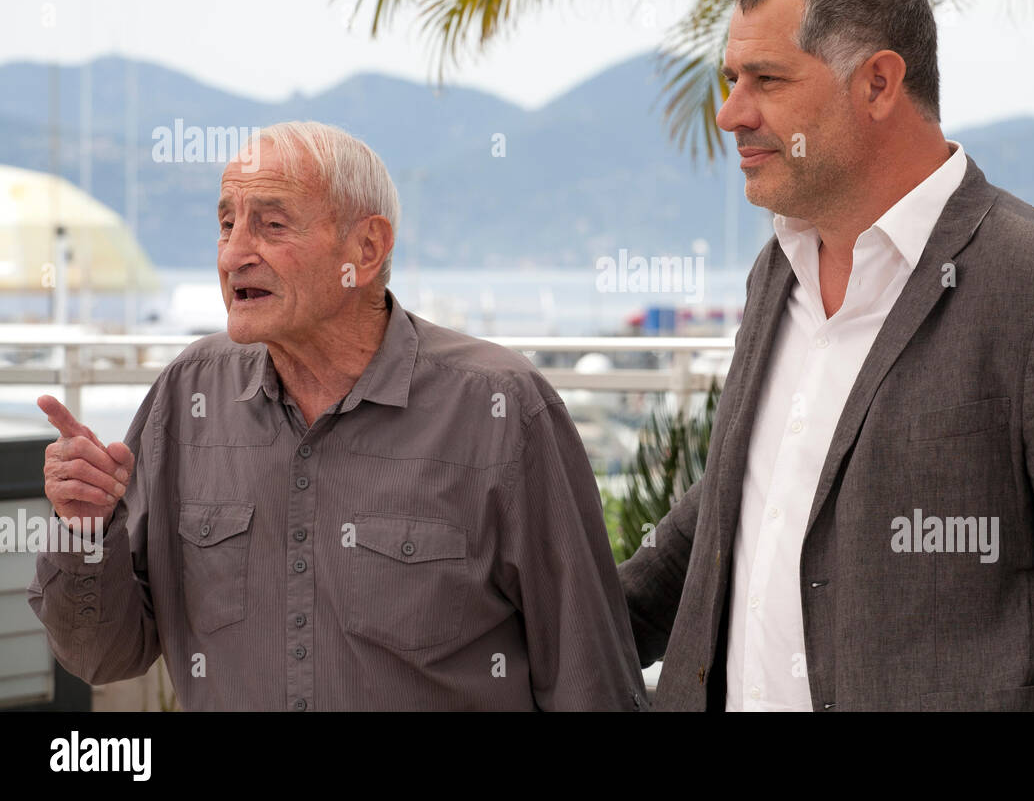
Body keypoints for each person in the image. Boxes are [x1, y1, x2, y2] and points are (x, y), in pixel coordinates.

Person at [618, 0, 1034, 711]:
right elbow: (737, 509)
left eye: (766, 79)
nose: (731, 114)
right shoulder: (779, 270)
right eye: (732, 80)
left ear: (876, 83)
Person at [29, 121, 647, 711]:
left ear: (367, 248)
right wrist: (84, 532)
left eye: (271, 225)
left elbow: (589, 677)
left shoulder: (503, 408)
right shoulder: (187, 396)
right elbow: (101, 657)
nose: (233, 255)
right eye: (225, 224)